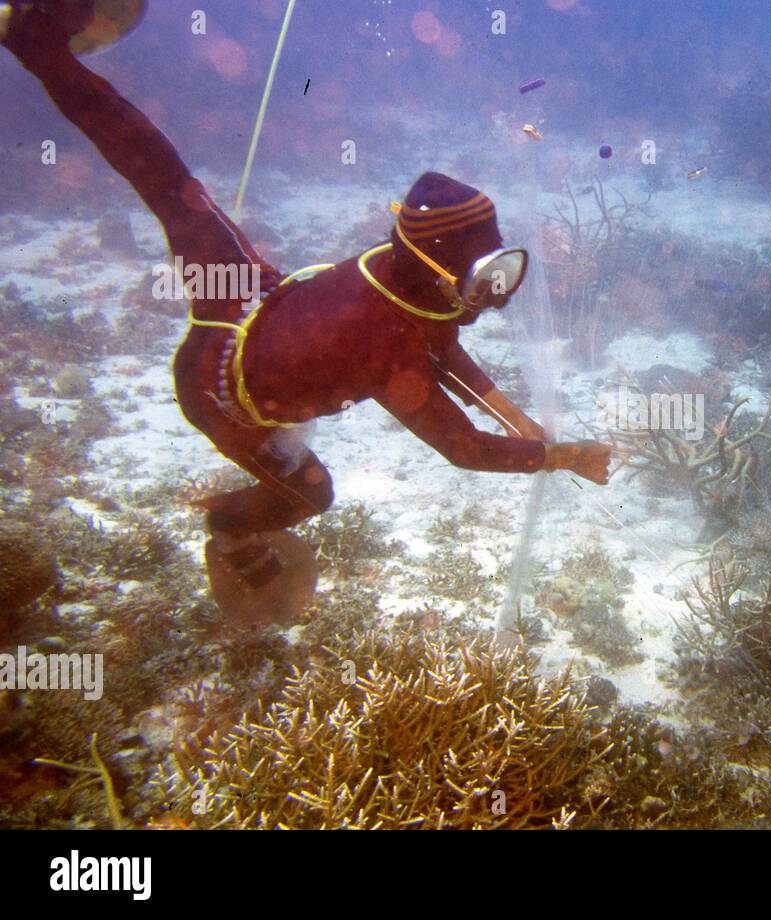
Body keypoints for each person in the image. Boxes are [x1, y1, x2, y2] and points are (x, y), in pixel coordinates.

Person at [2, 2, 612, 622]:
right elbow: (463, 449)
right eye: (484, 279)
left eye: (502, 271)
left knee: (161, 172)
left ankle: (38, 44)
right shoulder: (385, 344)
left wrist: (518, 419)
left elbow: (443, 344)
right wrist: (563, 456)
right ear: (435, 270)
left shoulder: (403, 274)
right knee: (312, 496)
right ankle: (228, 528)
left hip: (243, 296)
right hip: (224, 397)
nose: (496, 295)